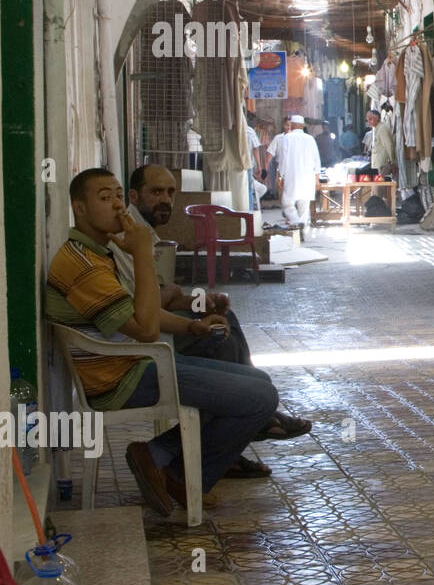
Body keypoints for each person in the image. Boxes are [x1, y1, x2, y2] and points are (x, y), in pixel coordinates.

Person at [46, 168, 280, 514]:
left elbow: (143, 313)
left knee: (259, 383)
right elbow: (145, 328)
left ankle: (156, 456)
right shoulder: (82, 264)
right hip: (120, 379)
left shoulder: (98, 252)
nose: (115, 205)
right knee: (260, 397)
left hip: (136, 362)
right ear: (79, 209)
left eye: (116, 195)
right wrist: (142, 252)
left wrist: (191, 328)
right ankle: (181, 476)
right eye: (104, 197)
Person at [109, 164, 311, 474]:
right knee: (224, 346)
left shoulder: (145, 234)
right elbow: (145, 307)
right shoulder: (127, 239)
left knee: (221, 316)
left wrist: (202, 302)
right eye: (156, 192)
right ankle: (239, 435)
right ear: (134, 196)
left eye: (171, 192)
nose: (165, 200)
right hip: (144, 349)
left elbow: (166, 297)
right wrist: (184, 310)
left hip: (154, 334)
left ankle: (241, 433)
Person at [269, 114, 321, 230]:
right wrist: (316, 177)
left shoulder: (287, 138)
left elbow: (283, 159)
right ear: (302, 126)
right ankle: (302, 225)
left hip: (292, 175)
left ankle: (296, 222)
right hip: (308, 176)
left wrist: (281, 176)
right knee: (304, 205)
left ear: (291, 125)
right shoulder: (310, 139)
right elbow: (316, 159)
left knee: (287, 203)